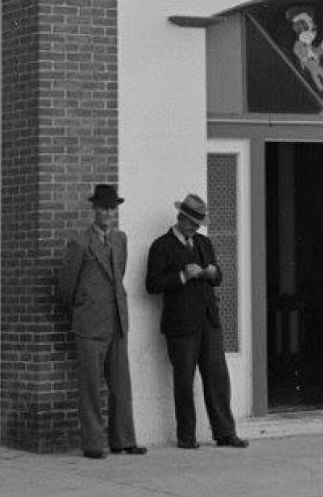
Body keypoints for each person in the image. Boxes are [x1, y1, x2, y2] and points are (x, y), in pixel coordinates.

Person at [145, 192, 249, 451]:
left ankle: (225, 432)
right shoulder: (161, 246)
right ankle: (186, 437)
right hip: (180, 324)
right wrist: (182, 275)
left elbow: (218, 276)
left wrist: (213, 273)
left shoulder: (203, 243)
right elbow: (152, 284)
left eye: (197, 224)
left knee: (217, 378)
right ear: (180, 218)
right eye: (191, 223)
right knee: (184, 380)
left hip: (207, 320)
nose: (194, 228)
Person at [57, 183, 146, 459]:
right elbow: (66, 286)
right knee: (91, 387)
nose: (108, 213)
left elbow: (118, 274)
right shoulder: (80, 243)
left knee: (121, 385)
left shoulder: (121, 240)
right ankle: (94, 443)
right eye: (104, 208)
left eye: (112, 208)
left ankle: (123, 440)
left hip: (117, 321)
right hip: (89, 324)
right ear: (94, 209)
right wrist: (82, 307)